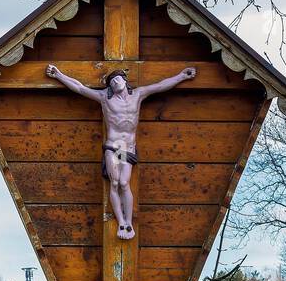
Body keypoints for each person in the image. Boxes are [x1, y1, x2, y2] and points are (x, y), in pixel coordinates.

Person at [46, 63, 197, 238]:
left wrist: (182, 76)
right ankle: (122, 223)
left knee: (125, 183)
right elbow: (80, 88)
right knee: (115, 183)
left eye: (117, 79)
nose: (114, 82)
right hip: (114, 145)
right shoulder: (104, 97)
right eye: (111, 81)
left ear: (125, 80)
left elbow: (161, 86)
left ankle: (129, 223)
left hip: (128, 146)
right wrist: (59, 75)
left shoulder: (138, 94)